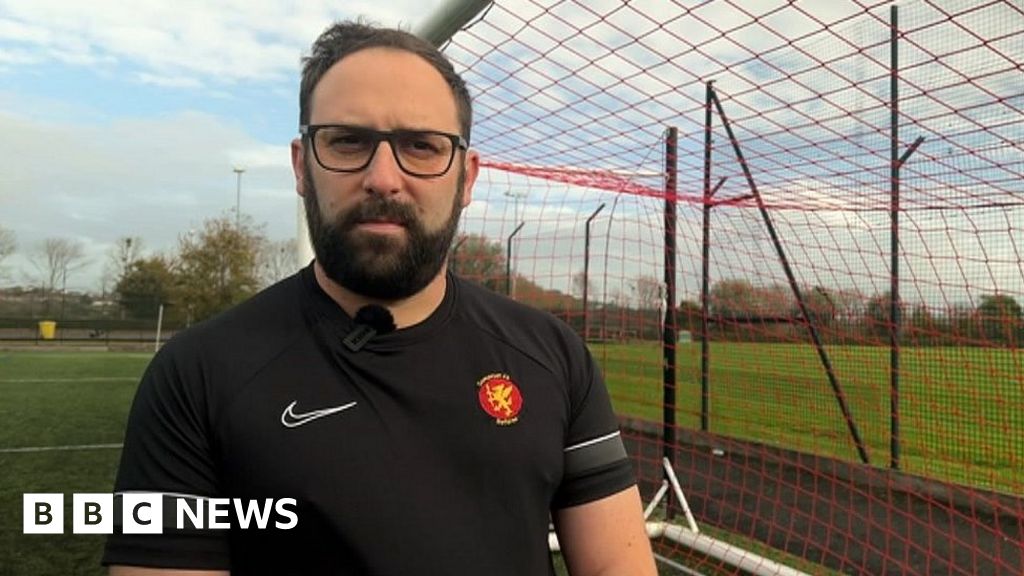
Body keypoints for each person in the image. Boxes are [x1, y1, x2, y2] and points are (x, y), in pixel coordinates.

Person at [104, 20, 657, 576]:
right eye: (348, 141)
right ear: (302, 165)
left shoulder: (554, 357)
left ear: (467, 178)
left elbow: (617, 564)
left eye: (421, 146)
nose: (383, 178)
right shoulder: (195, 375)